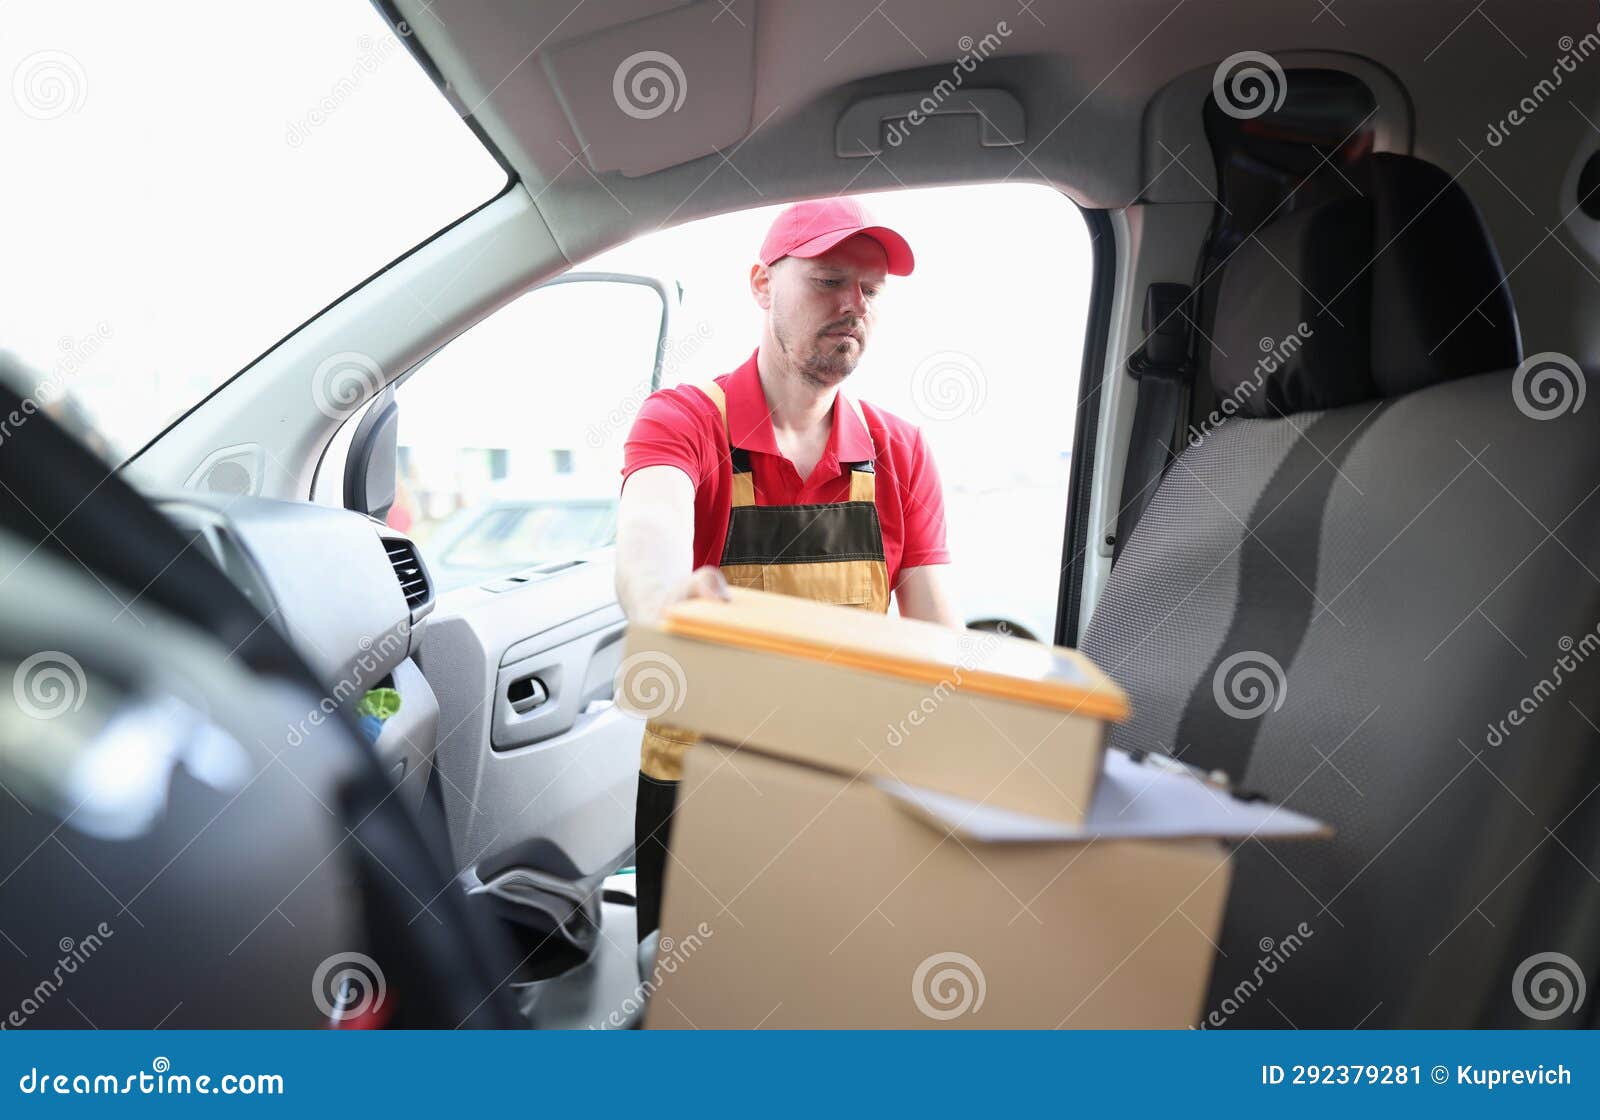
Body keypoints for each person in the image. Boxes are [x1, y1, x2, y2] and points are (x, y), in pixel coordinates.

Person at [616, 196, 961, 939]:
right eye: (830, 280)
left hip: (844, 790)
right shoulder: (684, 420)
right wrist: (672, 603)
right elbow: (649, 537)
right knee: (692, 1018)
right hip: (699, 794)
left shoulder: (900, 450)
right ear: (763, 284)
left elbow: (938, 638)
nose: (853, 306)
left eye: (870, 290)